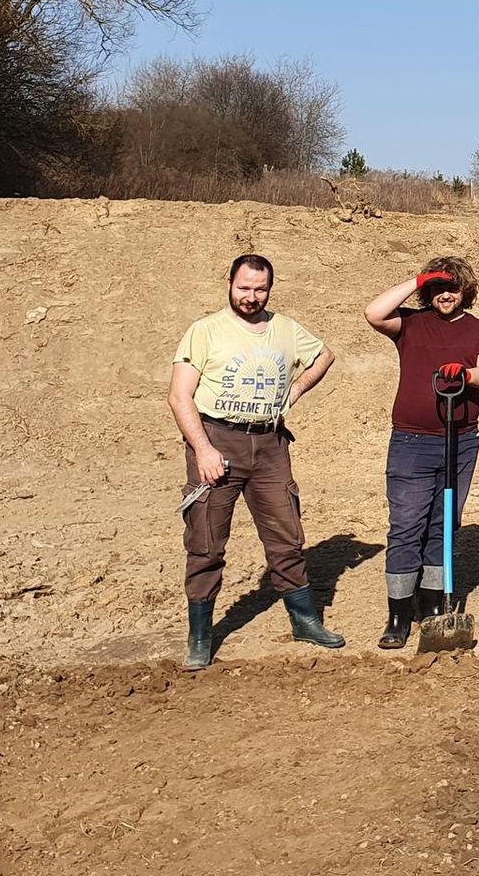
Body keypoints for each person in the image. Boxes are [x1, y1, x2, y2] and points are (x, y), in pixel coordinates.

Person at [168, 253, 340, 670]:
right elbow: (179, 396)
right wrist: (204, 450)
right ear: (229, 284)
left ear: (270, 288)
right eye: (243, 288)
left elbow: (324, 356)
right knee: (206, 541)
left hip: (269, 444)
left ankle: (304, 621)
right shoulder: (205, 331)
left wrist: (294, 393)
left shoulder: (284, 328)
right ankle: (201, 636)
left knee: (287, 536)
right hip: (217, 440)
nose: (251, 296)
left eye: (259, 288)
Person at [362, 257, 479, 648]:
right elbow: (374, 313)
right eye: (438, 287)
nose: (445, 294)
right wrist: (417, 279)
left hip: (460, 442)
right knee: (406, 526)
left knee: (443, 526)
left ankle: (432, 607)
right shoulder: (410, 324)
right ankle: (397, 616)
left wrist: (467, 374)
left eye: (453, 287)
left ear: (465, 291)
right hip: (411, 442)